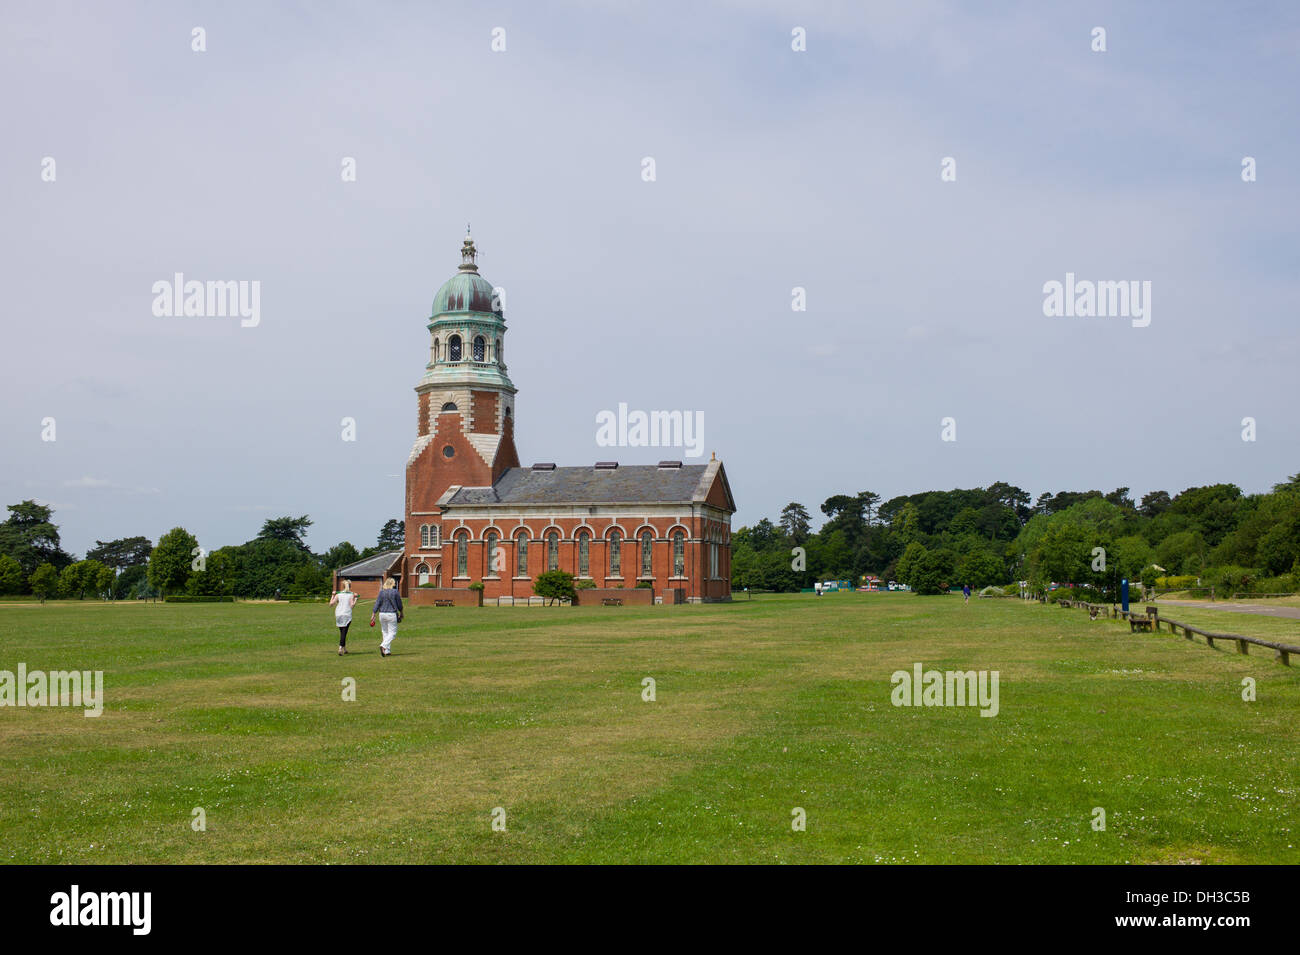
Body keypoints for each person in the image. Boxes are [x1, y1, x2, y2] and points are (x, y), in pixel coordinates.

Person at [371, 577, 403, 657]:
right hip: (391, 614)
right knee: (392, 633)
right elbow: (399, 604)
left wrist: (373, 614)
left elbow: (377, 603)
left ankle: (387, 651)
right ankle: (384, 646)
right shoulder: (395, 592)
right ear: (392, 584)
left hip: (382, 614)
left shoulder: (381, 592)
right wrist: (401, 612)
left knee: (385, 632)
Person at [328, 580, 358, 655]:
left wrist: (332, 595)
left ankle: (344, 649)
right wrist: (356, 599)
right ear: (350, 586)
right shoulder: (351, 595)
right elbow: (352, 606)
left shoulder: (339, 594)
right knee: (344, 632)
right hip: (346, 614)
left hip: (338, 614)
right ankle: (340, 647)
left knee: (342, 632)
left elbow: (331, 604)